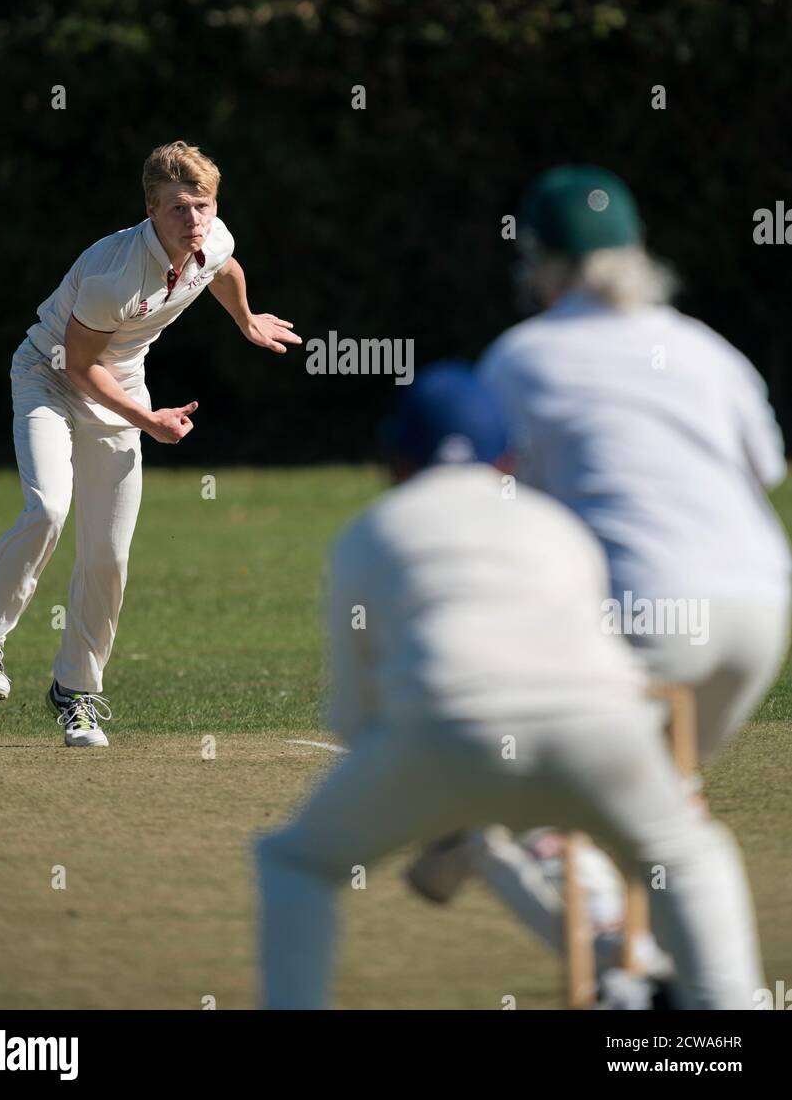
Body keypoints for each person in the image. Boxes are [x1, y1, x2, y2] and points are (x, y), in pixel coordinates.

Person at [255, 364, 764, 1009]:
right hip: (603, 732)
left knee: (298, 863)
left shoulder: (371, 532)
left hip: (441, 734)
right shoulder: (557, 524)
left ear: (395, 459)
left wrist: (417, 794)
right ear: (508, 459)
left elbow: (355, 714)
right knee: (688, 857)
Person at [409, 165, 791, 997]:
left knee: (553, 807)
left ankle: (623, 978)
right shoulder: (703, 346)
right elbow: (763, 471)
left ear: (538, 263)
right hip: (759, 612)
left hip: (640, 615)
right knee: (661, 816)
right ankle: (716, 1001)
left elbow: (498, 505)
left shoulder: (521, 356)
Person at [0, 140, 301, 746]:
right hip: (50, 377)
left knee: (109, 557)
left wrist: (246, 320)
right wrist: (147, 420)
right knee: (49, 509)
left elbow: (225, 270)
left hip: (123, 389)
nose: (194, 221)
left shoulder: (212, 239)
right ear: (151, 208)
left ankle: (77, 693)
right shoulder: (115, 271)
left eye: (203, 206)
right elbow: (80, 366)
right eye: (177, 209)